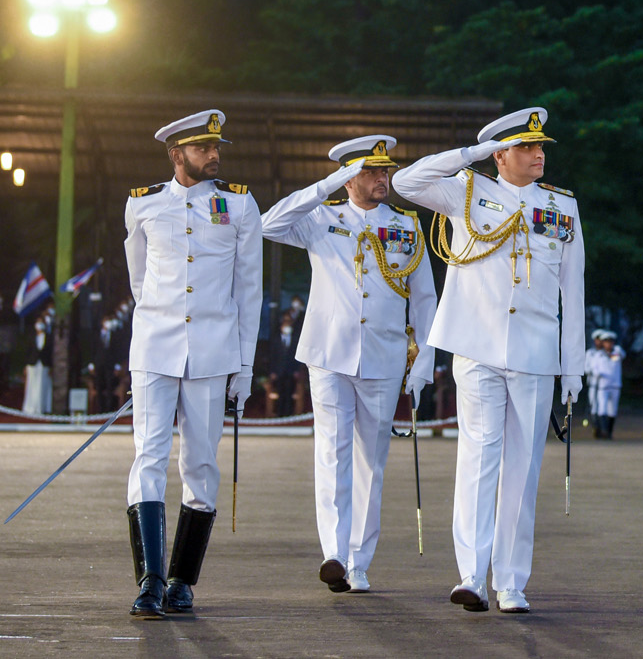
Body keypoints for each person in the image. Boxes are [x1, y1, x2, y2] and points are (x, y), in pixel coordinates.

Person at [391, 107, 585, 615]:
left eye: (541, 146)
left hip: (536, 352)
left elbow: (574, 289)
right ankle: (472, 575)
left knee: (523, 469)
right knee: (477, 459)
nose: (538, 154)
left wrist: (573, 365)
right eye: (525, 146)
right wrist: (473, 155)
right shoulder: (466, 192)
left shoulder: (562, 207)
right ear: (500, 154)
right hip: (476, 346)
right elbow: (407, 181)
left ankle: (512, 581)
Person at [262, 135, 439, 595]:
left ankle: (360, 560)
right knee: (331, 453)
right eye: (372, 171)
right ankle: (334, 553)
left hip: (383, 355)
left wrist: (424, 362)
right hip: (328, 352)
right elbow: (269, 224)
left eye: (385, 171)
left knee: (370, 463)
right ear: (349, 174)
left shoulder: (407, 225)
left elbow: (424, 298)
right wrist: (325, 187)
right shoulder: (321, 217)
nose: (383, 178)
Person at [122, 109, 263, 619]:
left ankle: (182, 579)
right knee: (148, 456)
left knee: (201, 463)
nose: (214, 155)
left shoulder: (241, 205)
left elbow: (250, 292)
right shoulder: (144, 205)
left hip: (212, 352)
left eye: (216, 146)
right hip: (155, 348)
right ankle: (150, 580)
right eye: (203, 148)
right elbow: (140, 281)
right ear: (176, 153)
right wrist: (161, 323)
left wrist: (244, 367)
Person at [585, 330, 624, 439]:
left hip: (615, 385)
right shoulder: (597, 355)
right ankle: (602, 431)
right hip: (601, 386)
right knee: (600, 408)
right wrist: (595, 373)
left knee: (612, 410)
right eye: (606, 342)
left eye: (611, 342)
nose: (608, 344)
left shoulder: (617, 352)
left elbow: (618, 357)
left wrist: (611, 353)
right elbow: (591, 368)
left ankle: (609, 432)